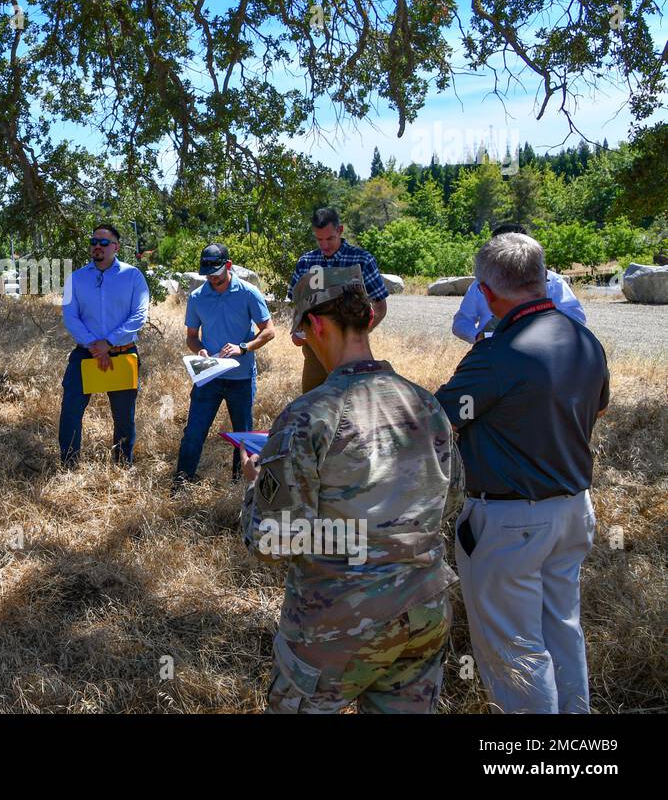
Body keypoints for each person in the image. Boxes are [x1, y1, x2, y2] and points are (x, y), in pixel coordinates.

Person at [239, 265, 462, 714]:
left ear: (316, 324)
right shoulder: (425, 403)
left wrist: (257, 483)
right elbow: (451, 498)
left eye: (302, 333)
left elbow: (272, 540)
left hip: (337, 625)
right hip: (423, 612)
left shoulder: (309, 415)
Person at [435, 233, 609, 713]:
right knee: (562, 632)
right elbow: (596, 408)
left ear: (486, 293)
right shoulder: (584, 341)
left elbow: (435, 420)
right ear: (543, 279)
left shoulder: (496, 354)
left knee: (513, 650)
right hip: (574, 511)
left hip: (511, 523)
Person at [173, 243, 275, 490]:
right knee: (194, 431)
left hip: (240, 378)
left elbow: (269, 331)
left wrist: (244, 347)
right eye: (207, 275)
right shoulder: (197, 297)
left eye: (216, 274)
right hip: (209, 376)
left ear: (228, 266)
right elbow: (191, 337)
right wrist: (200, 350)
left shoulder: (248, 292)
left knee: (243, 436)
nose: (212, 279)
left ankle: (241, 485)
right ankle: (182, 483)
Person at [58, 223, 150, 468]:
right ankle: (69, 467)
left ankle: (121, 467)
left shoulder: (133, 276)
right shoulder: (75, 278)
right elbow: (70, 316)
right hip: (85, 354)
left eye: (104, 242)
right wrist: (93, 345)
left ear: (116, 247)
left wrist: (109, 343)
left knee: (123, 418)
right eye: (94, 242)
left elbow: (139, 315)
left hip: (121, 354)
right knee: (70, 413)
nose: (97, 246)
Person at [288, 207, 388, 393]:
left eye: (330, 239)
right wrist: (297, 330)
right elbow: (296, 305)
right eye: (319, 240)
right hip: (315, 354)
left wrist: (357, 333)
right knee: (314, 407)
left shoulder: (362, 260)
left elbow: (380, 305)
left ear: (340, 230)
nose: (324, 245)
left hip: (354, 355)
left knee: (357, 403)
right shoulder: (306, 262)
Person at [451, 223, 585, 342]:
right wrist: (478, 336)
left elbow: (575, 317)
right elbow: (462, 321)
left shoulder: (554, 281)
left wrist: (548, 335)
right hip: (493, 349)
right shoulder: (479, 284)